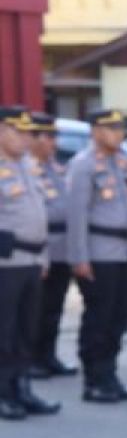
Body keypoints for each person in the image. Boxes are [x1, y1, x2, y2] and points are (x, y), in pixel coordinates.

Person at [66, 108, 127, 403]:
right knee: (98, 318)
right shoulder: (83, 165)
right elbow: (76, 215)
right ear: (95, 131)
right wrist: (79, 258)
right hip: (99, 252)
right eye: (110, 127)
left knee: (118, 317)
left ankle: (110, 374)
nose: (117, 133)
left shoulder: (125, 161)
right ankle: (94, 379)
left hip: (126, 252)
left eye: (120, 127)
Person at [0, 107, 59, 420]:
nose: (26, 139)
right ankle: (4, 392)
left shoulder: (27, 166)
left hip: (32, 259)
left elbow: (39, 217)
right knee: (4, 331)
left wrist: (43, 258)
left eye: (28, 133)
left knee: (26, 329)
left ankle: (22, 387)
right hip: (6, 263)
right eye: (18, 132)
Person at [26, 111, 80, 379]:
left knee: (54, 309)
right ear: (33, 137)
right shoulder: (25, 168)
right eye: (48, 136)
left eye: (54, 136)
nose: (53, 142)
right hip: (40, 249)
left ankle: (48, 355)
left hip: (62, 249)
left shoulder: (58, 168)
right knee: (35, 311)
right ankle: (33, 359)